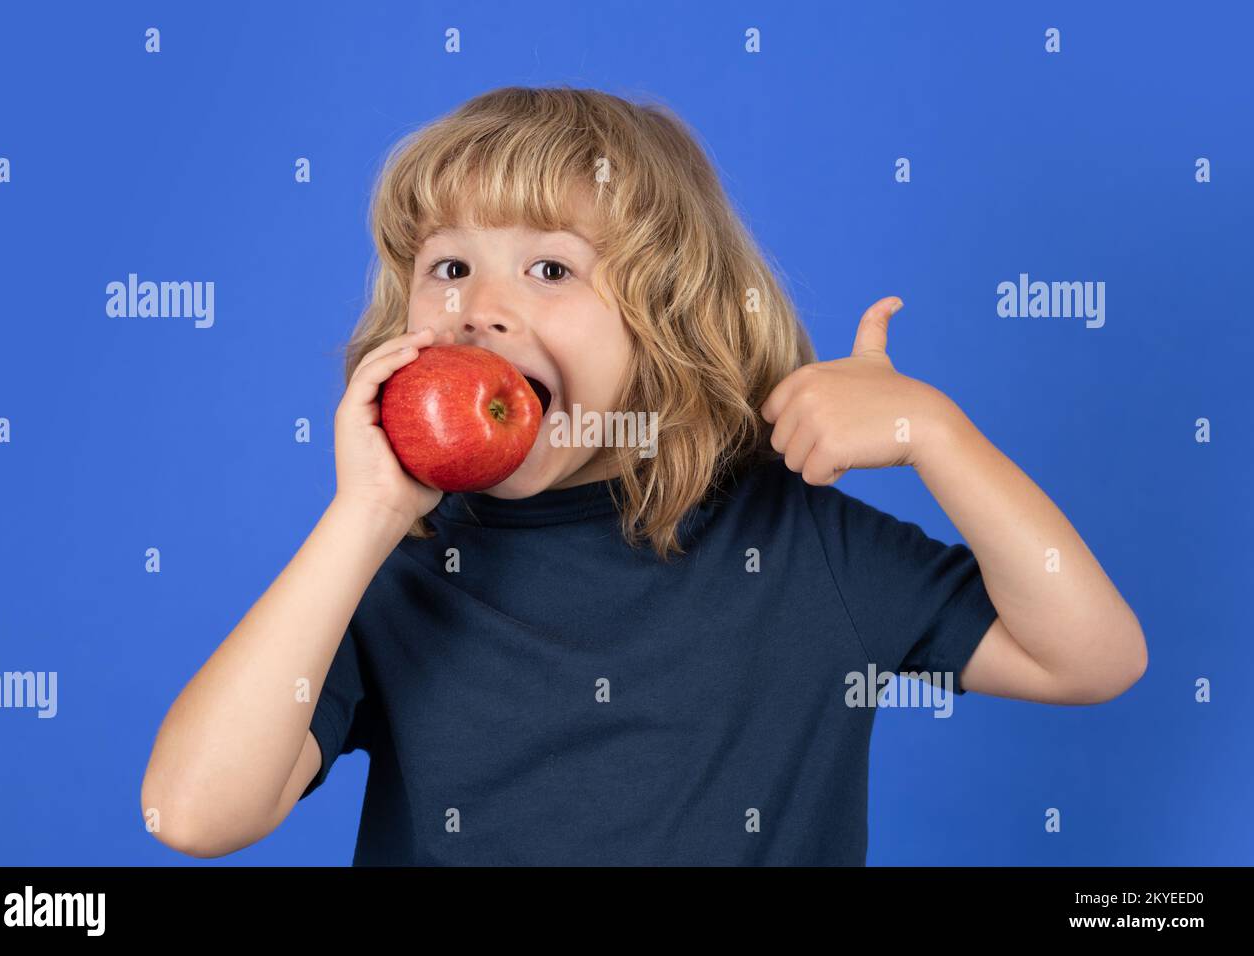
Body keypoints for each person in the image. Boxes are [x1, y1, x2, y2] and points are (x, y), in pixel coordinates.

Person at [140, 86, 1146, 865]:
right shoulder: (393, 568)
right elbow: (192, 811)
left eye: (550, 269)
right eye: (448, 267)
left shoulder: (800, 542)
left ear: (665, 320)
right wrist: (360, 517)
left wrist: (940, 435)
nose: (479, 307)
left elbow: (1091, 657)